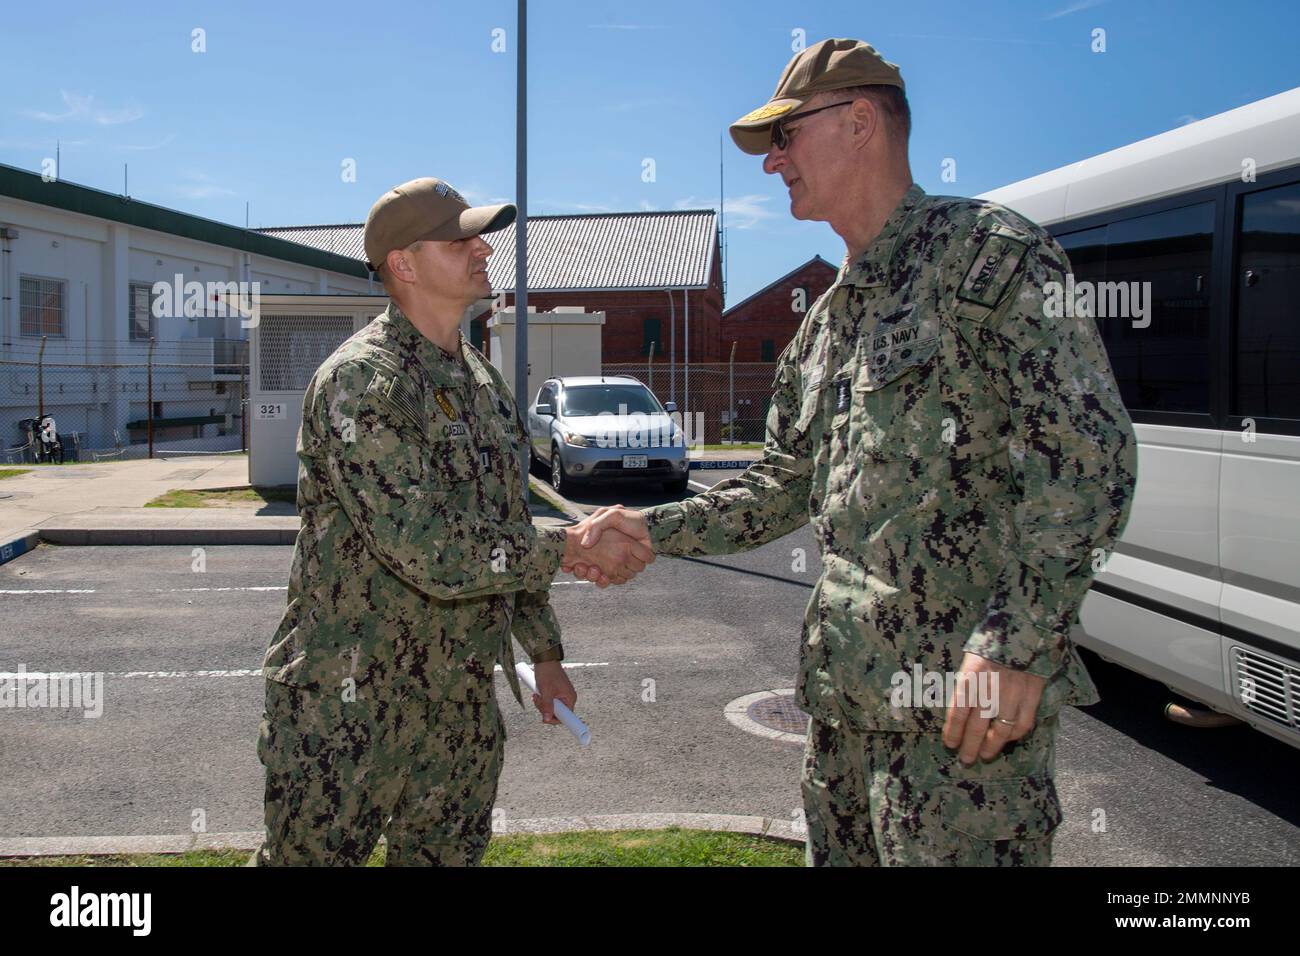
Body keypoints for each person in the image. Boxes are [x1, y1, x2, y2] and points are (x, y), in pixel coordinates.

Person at [570, 38, 1137, 866]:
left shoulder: (989, 255)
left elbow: (1087, 457)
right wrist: (653, 528)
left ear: (860, 121)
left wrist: (1016, 642)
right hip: (844, 713)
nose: (774, 164)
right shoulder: (826, 320)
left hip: (959, 717)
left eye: (786, 137)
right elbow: (781, 486)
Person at [251, 177, 653, 866]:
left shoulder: (484, 385)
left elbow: (504, 526)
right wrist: (572, 546)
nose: (483, 248)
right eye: (460, 237)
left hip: (458, 705)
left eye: (480, 234)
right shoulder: (362, 383)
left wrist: (545, 653)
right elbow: (427, 549)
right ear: (403, 264)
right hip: (347, 706)